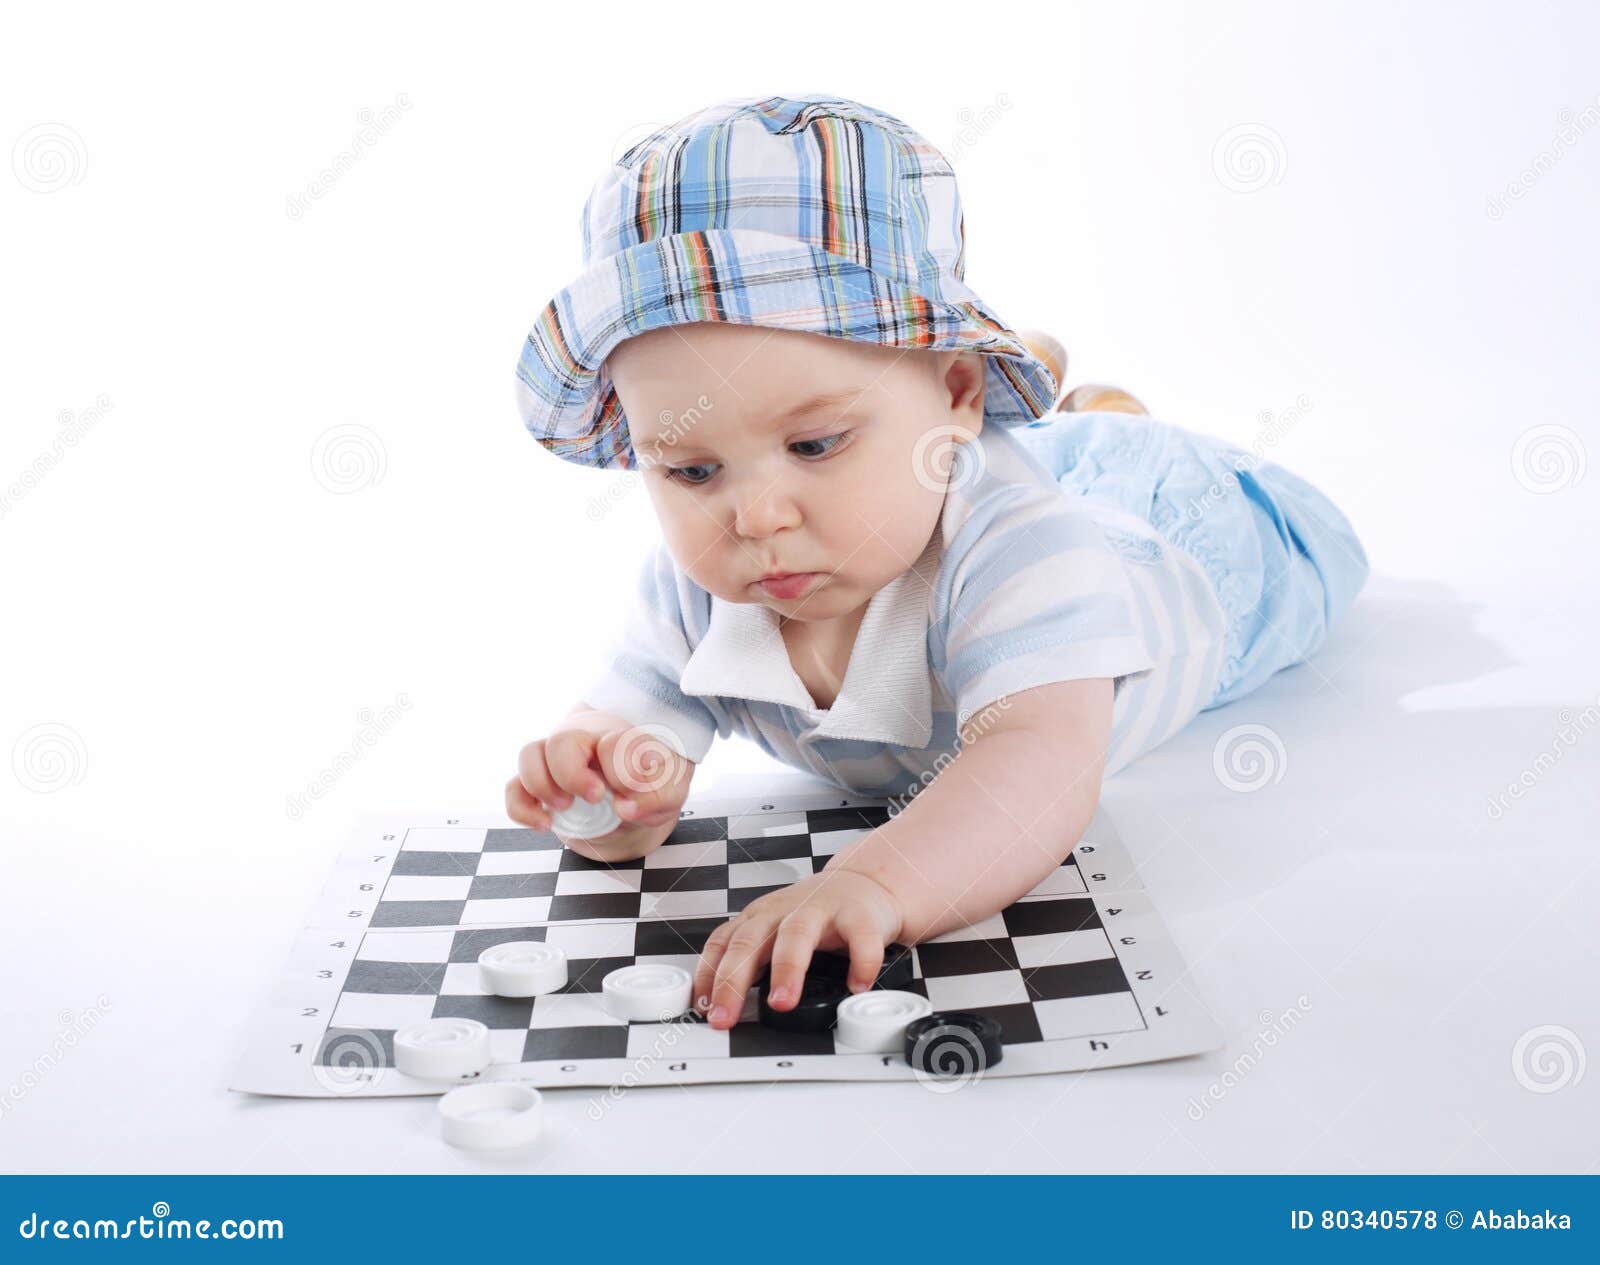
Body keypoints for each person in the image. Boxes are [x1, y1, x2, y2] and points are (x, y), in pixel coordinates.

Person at [505, 94, 1369, 1030]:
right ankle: (1066, 412)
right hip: (964, 460)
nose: (756, 516)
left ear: (958, 388)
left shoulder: (1027, 551)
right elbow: (633, 748)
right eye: (691, 468)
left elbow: (1039, 760)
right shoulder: (696, 585)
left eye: (816, 444)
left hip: (1184, 544)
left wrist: (880, 878)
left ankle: (1106, 420)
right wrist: (605, 786)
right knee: (1040, 457)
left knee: (1161, 490)